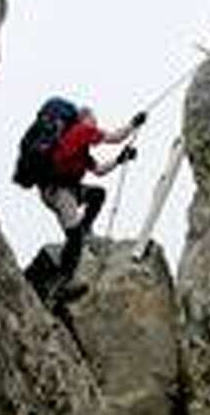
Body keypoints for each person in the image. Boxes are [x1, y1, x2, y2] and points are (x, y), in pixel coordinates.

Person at [40, 105, 146, 300]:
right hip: (59, 191)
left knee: (97, 194)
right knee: (74, 238)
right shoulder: (81, 131)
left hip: (63, 190)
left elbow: (99, 171)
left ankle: (84, 229)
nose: (96, 124)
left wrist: (120, 160)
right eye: (94, 119)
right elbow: (115, 138)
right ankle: (62, 283)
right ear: (84, 119)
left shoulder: (79, 147)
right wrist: (133, 123)